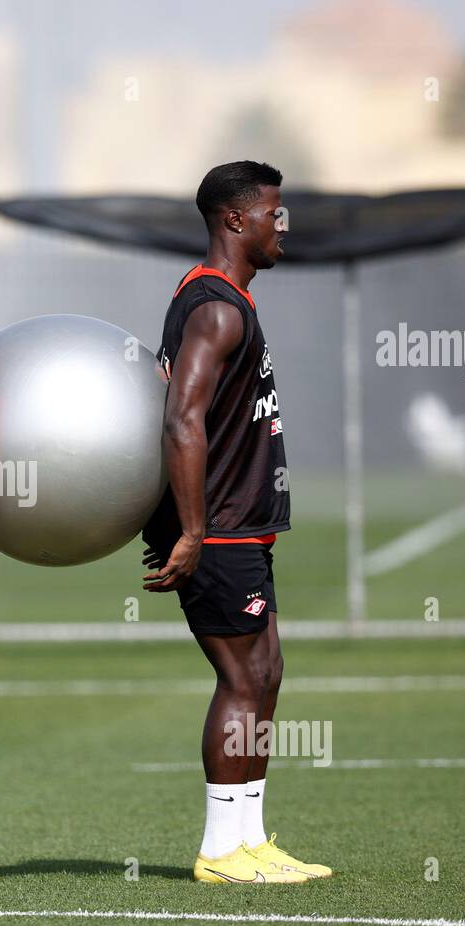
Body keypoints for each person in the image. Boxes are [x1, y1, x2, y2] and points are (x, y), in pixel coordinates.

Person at [142, 161, 332, 884]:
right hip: (214, 528)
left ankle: (250, 837)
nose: (281, 227)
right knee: (241, 680)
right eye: (272, 214)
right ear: (234, 221)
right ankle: (221, 849)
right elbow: (181, 419)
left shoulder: (229, 303)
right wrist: (191, 532)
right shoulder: (217, 308)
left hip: (239, 526)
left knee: (266, 672)